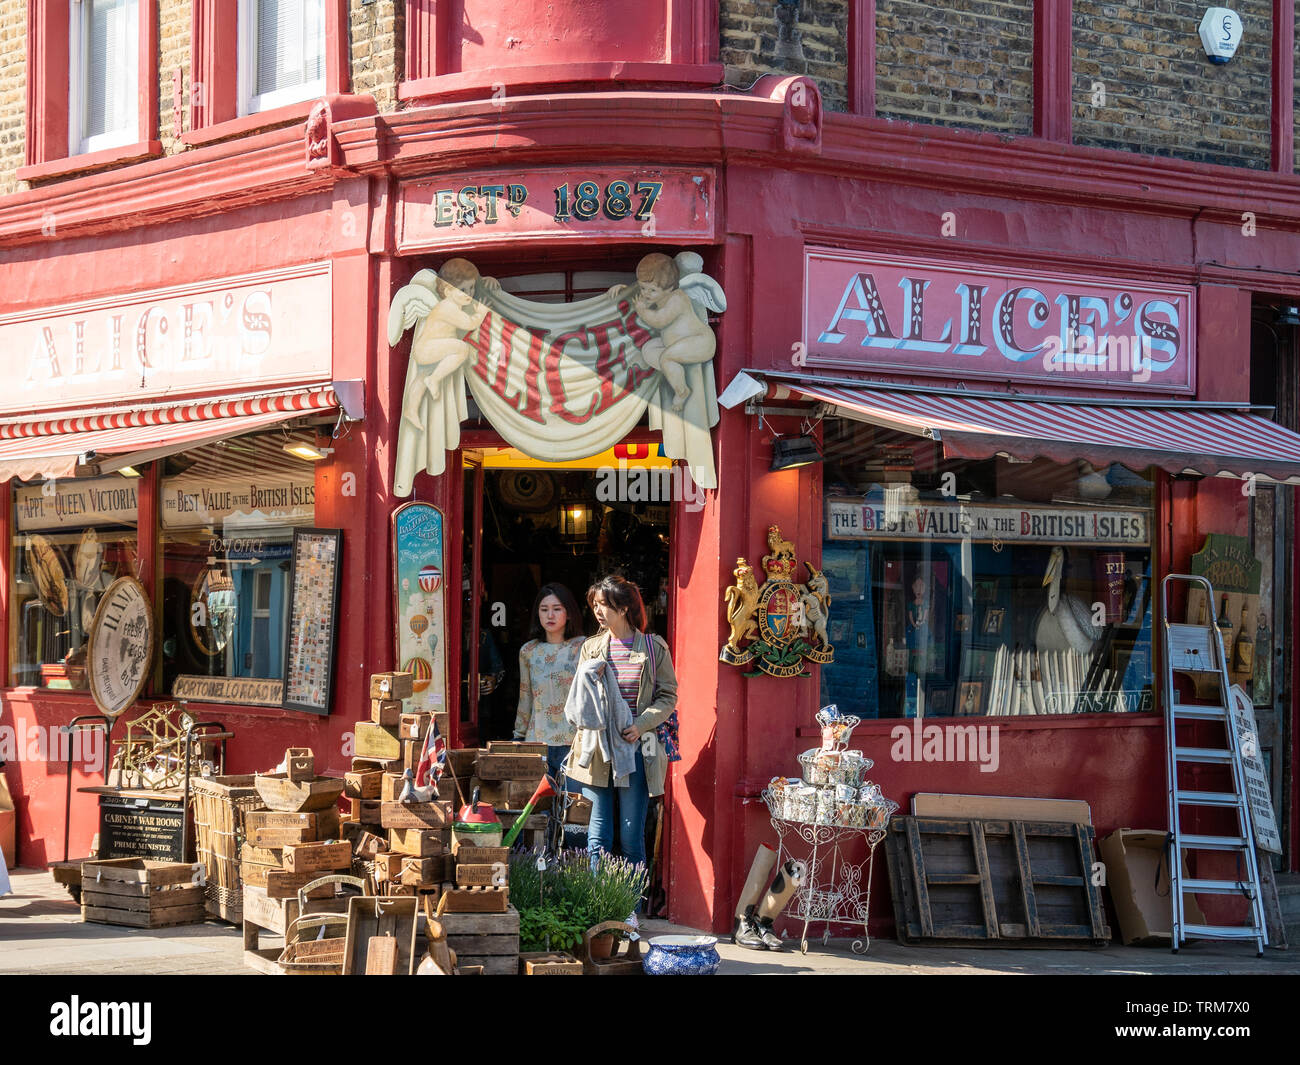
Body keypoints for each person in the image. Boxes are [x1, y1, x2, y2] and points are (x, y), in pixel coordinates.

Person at [564, 575, 678, 872]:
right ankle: (597, 901)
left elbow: (668, 696)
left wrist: (640, 724)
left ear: (625, 608)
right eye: (595, 605)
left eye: (605, 605)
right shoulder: (591, 648)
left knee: (630, 832)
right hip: (598, 746)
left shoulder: (653, 648)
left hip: (636, 747)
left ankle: (630, 907)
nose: (598, 611)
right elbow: (579, 696)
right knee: (597, 831)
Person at [513, 583, 586, 786]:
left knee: (573, 808)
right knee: (538, 811)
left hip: (573, 742)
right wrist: (518, 736)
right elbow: (525, 695)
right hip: (537, 741)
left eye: (557, 609)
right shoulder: (529, 651)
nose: (550, 615)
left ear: (569, 613)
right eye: (544, 610)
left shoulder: (583, 647)